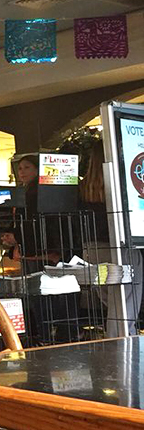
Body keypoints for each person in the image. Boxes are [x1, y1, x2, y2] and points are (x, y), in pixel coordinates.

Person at [80, 140, 143, 337]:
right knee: (124, 309)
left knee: (113, 307)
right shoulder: (123, 183)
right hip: (120, 248)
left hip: (92, 249)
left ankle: (117, 348)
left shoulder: (82, 187)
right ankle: (124, 354)